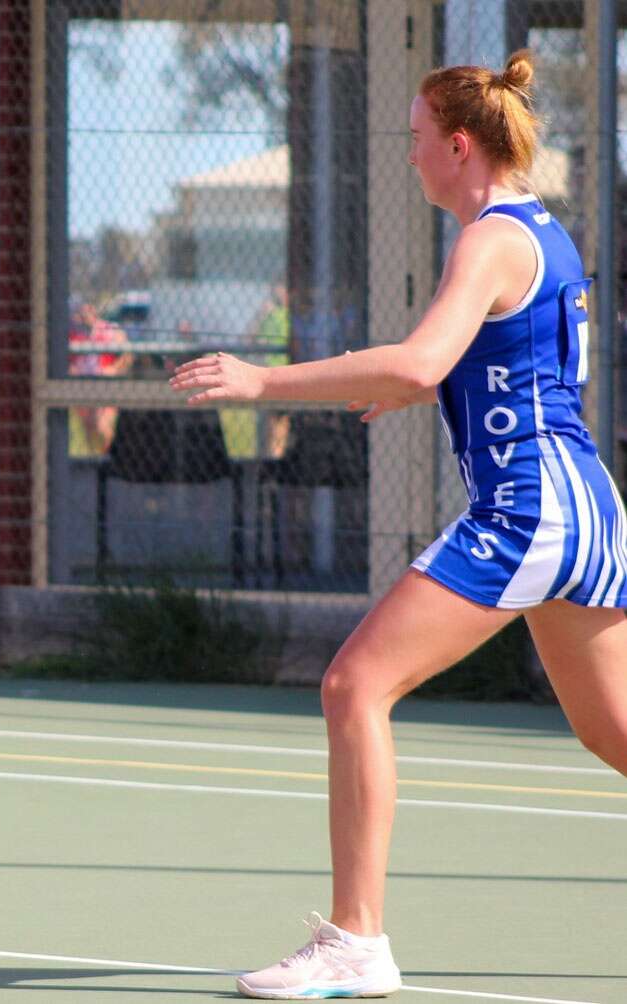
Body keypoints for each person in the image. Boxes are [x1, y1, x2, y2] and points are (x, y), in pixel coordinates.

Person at [171, 51, 627, 999]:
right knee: (615, 732)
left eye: (417, 141)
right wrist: (412, 387)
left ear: (459, 146)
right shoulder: (539, 232)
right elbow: (499, 364)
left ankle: (355, 942)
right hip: (586, 504)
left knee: (353, 686)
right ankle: (354, 939)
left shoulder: (489, 238)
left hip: (527, 508)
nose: (411, 157)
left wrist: (264, 381)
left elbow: (423, 363)